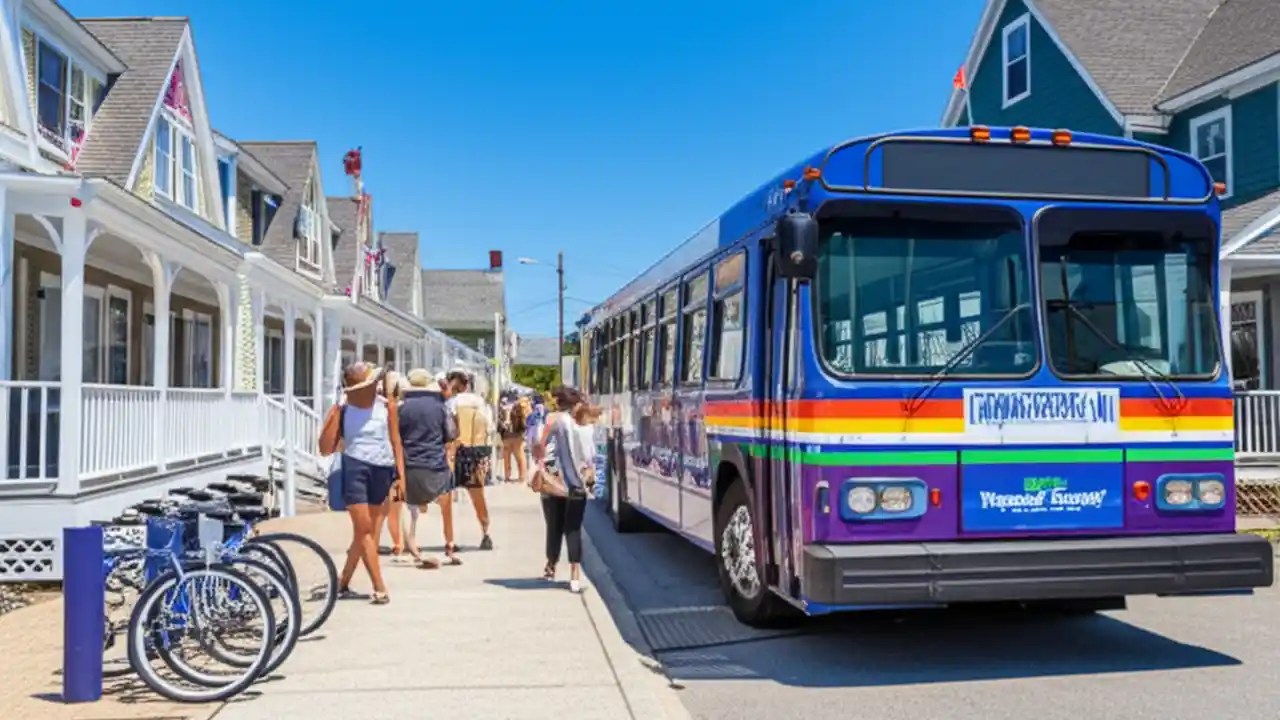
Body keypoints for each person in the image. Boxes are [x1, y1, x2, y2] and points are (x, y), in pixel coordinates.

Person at [317, 362, 406, 605]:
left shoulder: (387, 407)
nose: (377, 384)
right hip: (355, 468)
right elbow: (325, 449)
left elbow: (396, 440)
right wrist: (335, 412)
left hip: (383, 469)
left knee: (367, 533)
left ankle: (343, 580)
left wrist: (401, 478)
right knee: (365, 530)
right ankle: (379, 587)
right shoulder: (343, 411)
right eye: (371, 382)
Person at [394, 368, 462, 568]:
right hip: (435, 465)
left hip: (409, 466)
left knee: (406, 505)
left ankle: (409, 545)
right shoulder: (440, 407)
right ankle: (449, 543)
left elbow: (395, 437)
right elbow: (450, 434)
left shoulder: (401, 408)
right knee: (446, 503)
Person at [534, 385, 597, 593]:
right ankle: (575, 576)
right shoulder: (586, 425)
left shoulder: (553, 420)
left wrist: (542, 466)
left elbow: (540, 447)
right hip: (577, 484)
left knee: (554, 525)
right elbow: (591, 458)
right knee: (573, 528)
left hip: (555, 482)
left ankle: (551, 566)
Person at [446, 370, 495, 550]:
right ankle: (485, 531)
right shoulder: (482, 404)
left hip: (457, 451)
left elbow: (449, 429)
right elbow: (489, 428)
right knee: (478, 495)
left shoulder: (452, 403)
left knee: (448, 496)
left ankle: (450, 538)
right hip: (479, 450)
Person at [499, 392, 529, 483]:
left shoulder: (502, 406)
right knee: (520, 456)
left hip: (506, 435)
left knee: (507, 456)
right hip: (517, 434)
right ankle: (522, 476)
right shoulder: (519, 406)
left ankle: (507, 476)